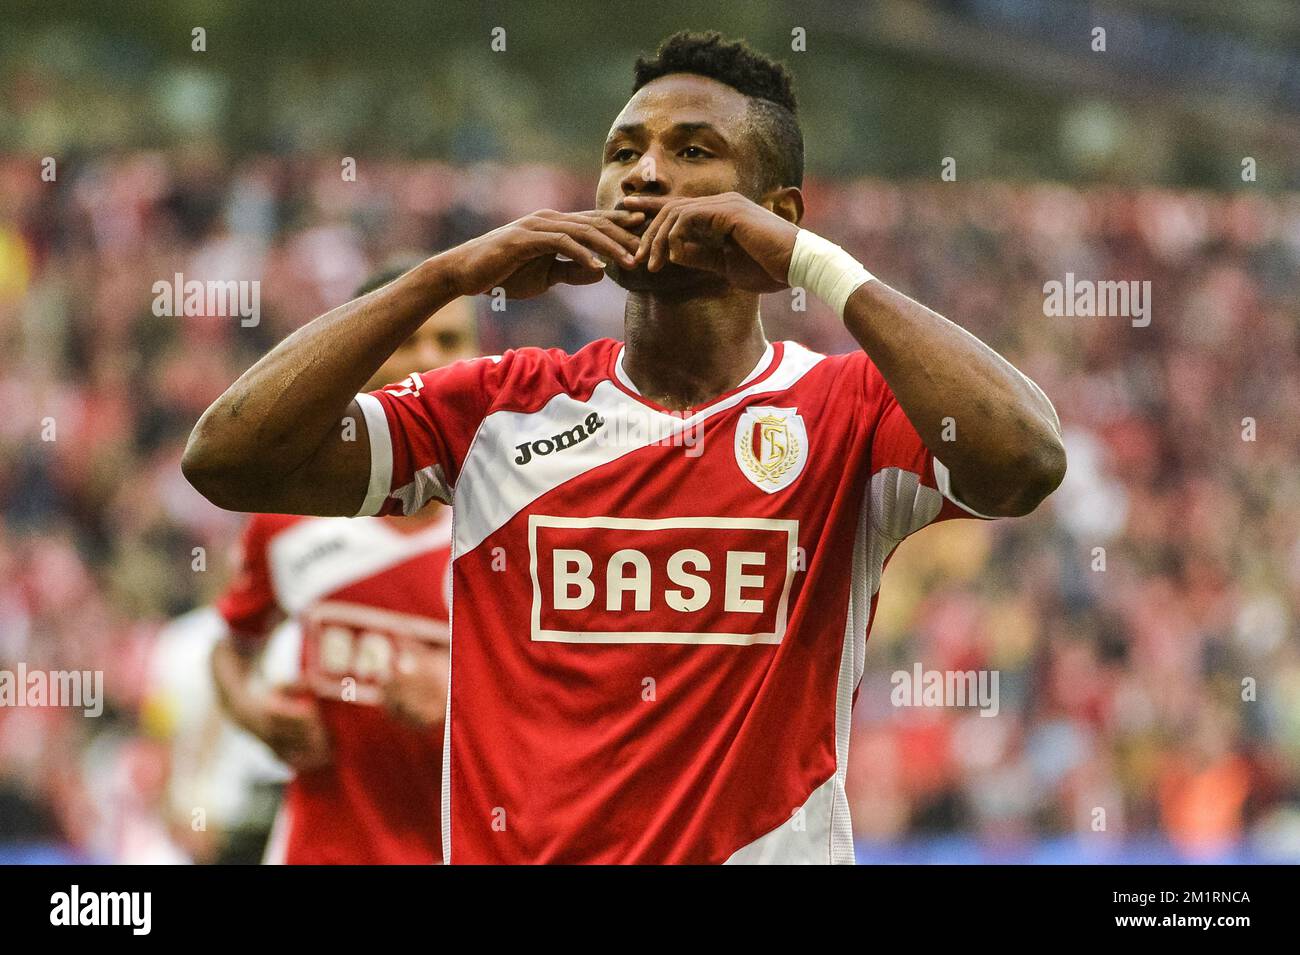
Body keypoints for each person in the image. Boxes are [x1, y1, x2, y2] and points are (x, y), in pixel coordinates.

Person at [182, 32, 1066, 863]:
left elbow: (1026, 457)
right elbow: (227, 458)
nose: (644, 172)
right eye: (622, 151)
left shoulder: (847, 410)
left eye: (691, 151)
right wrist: (447, 274)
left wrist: (814, 264)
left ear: (776, 210)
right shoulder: (498, 407)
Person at [208, 269, 478, 863]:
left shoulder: (515, 527)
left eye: (450, 341)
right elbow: (230, 648)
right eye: (405, 340)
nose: (428, 358)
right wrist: (255, 714)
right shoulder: (289, 521)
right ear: (360, 359)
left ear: (480, 359)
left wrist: (464, 707)